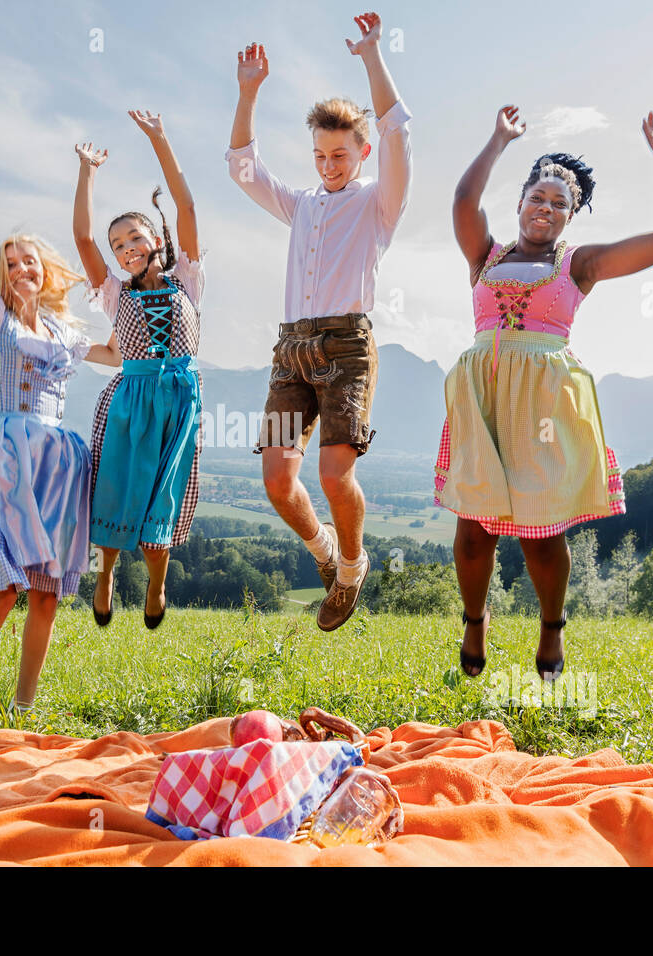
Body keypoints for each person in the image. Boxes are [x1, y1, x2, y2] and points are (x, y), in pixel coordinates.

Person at [437, 104, 653, 680]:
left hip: (545, 408)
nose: (545, 209)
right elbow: (461, 203)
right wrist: (498, 139)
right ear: (520, 201)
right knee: (472, 534)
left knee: (540, 539)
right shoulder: (486, 255)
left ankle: (552, 628)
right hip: (483, 399)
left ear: (571, 216)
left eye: (559, 204)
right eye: (537, 198)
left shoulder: (580, 265)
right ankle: (475, 619)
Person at [0, 108, 121, 723]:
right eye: (10, 262)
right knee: (3, 588)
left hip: (59, 462)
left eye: (28, 259)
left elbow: (122, 353)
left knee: (45, 595)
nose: (20, 268)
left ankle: (24, 708)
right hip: (6, 453)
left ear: (45, 269)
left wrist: (159, 293)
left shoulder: (64, 331)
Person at [226, 12, 411, 632]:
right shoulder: (301, 204)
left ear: (359, 152)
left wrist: (371, 57)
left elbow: (397, 133)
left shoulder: (378, 202)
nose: (329, 165)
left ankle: (354, 566)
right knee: (279, 483)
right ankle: (325, 552)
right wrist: (249, 92)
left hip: (345, 350)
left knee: (335, 473)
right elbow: (244, 169)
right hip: (291, 356)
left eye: (340, 154)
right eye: (320, 155)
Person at [74, 110, 204, 630]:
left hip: (177, 402)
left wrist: (160, 138)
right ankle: (104, 574)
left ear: (155, 239)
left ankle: (156, 581)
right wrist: (87, 172)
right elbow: (83, 239)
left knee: (161, 506)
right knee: (114, 493)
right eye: (118, 245)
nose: (127, 249)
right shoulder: (113, 293)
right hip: (128, 400)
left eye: (135, 238)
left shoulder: (188, 279)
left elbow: (187, 203)